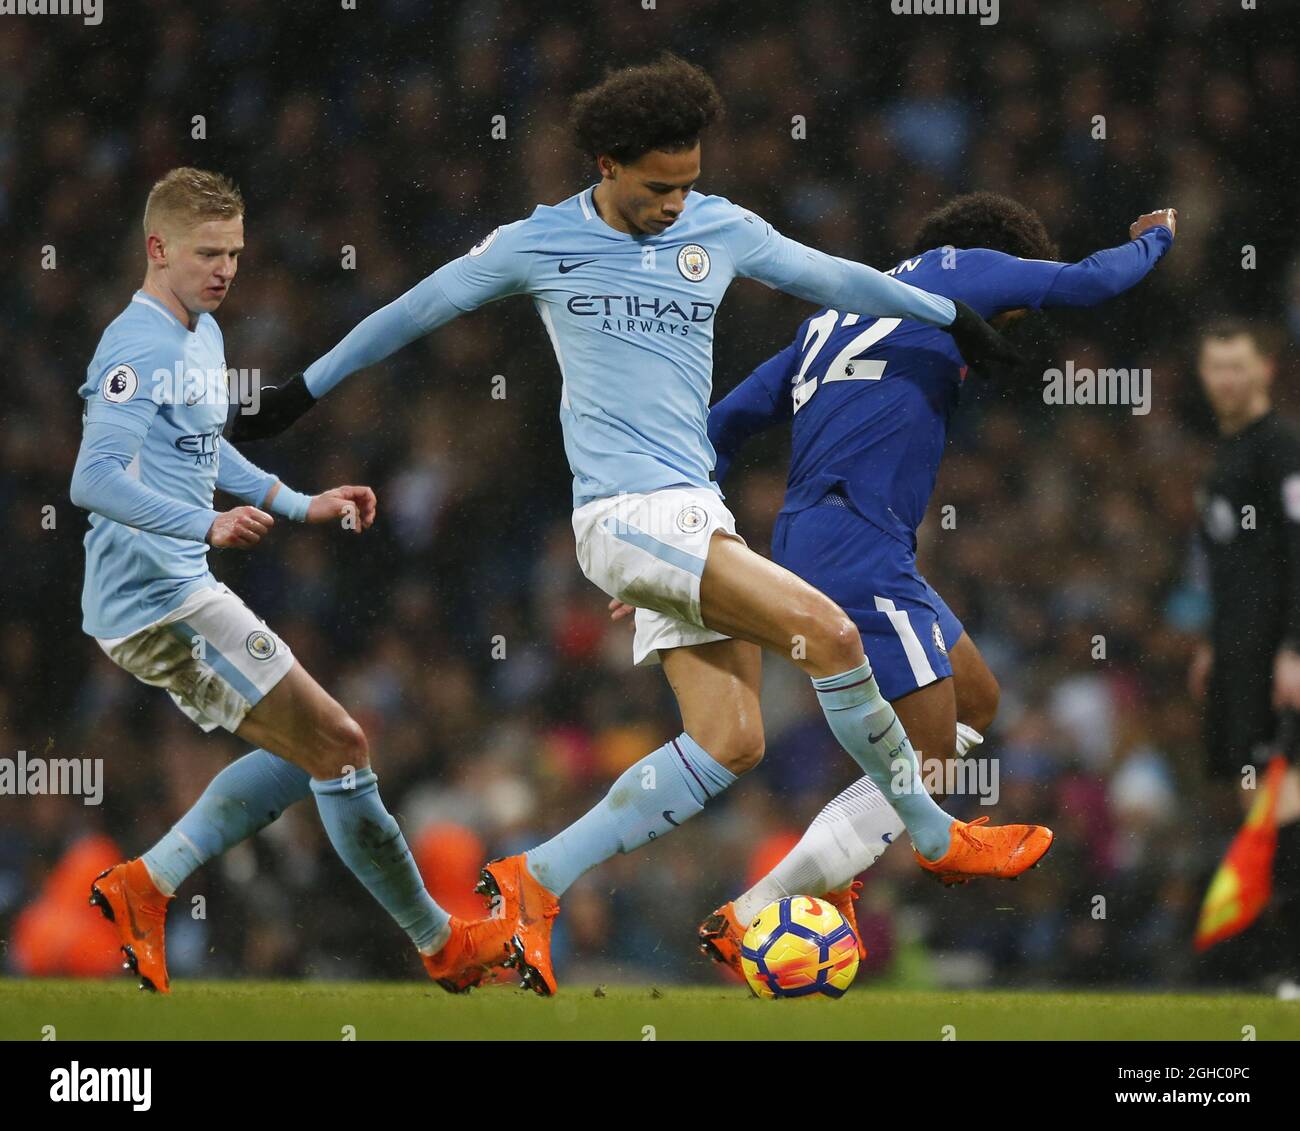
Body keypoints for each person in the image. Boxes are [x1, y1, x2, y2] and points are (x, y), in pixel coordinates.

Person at [237, 55, 1050, 997]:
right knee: (830, 634)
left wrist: (951, 315)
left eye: (688, 183)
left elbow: (841, 278)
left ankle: (535, 878)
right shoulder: (536, 242)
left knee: (731, 741)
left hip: (693, 515)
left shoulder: (720, 227)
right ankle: (937, 834)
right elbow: (407, 314)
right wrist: (296, 396)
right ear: (606, 163)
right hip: (623, 513)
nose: (675, 203)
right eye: (659, 186)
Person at [693, 193, 1176, 971]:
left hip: (839, 537)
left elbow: (722, 422)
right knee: (928, 750)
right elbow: (1089, 281)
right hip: (856, 541)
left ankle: (833, 869)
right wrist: (1156, 240)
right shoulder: (964, 268)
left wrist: (693, 525)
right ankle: (756, 910)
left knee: (975, 699)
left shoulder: (829, 314)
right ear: (998, 254)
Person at [71, 167, 512, 994]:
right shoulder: (138, 344)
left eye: (235, 252)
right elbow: (91, 480)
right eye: (208, 252)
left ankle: (148, 884)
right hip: (154, 600)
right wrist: (205, 524)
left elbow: (205, 446)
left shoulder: (201, 332)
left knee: (316, 751)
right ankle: (439, 942)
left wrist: (302, 502)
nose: (225, 269)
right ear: (157, 248)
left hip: (176, 586)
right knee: (342, 744)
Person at [1189, 317, 1300, 986]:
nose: (1226, 379)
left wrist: (1293, 645)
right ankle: (1266, 962)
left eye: (1239, 365)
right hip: (1237, 656)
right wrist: (1214, 643)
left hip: (1278, 655)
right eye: (1215, 366)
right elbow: (1232, 566)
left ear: (1266, 369)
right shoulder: (1224, 455)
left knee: (1284, 800)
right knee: (1251, 801)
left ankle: (1290, 962)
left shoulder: (1282, 447)